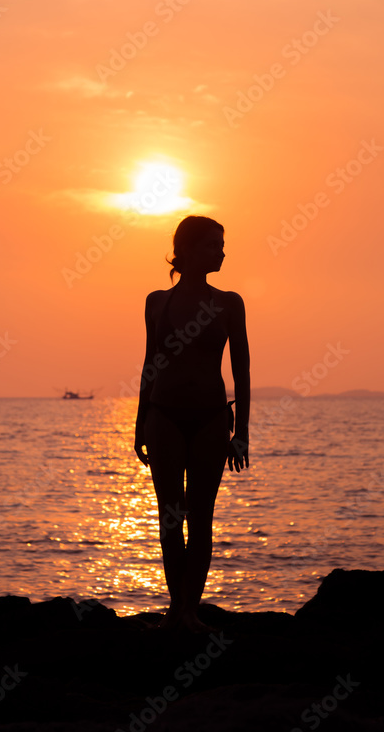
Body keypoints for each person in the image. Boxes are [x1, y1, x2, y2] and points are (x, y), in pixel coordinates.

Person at [134, 215, 250, 632]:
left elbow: (243, 369)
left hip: (211, 419)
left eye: (221, 243)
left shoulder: (229, 303)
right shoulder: (156, 302)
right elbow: (150, 364)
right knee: (170, 517)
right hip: (162, 416)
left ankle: (190, 611)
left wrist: (243, 433)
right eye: (212, 244)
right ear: (184, 250)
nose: (221, 251)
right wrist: (139, 422)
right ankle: (174, 607)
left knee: (201, 516)